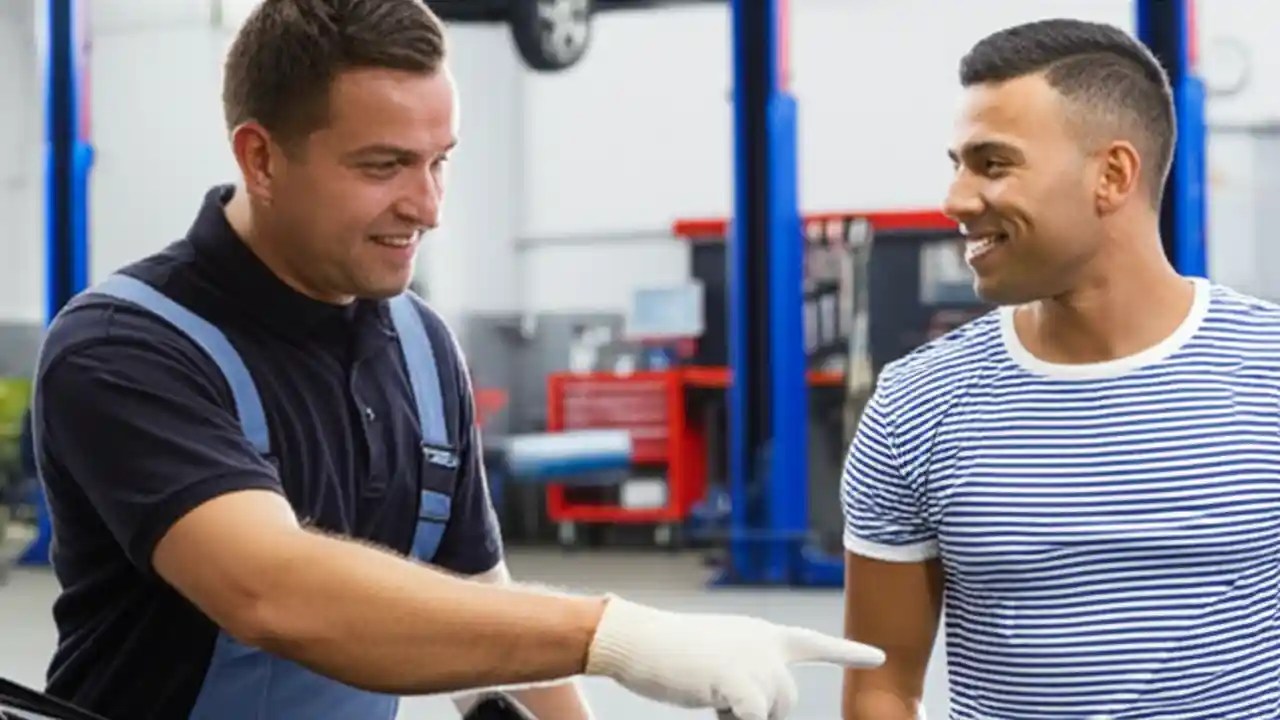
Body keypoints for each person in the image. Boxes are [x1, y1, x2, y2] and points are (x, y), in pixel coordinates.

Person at [29, 2, 885, 720]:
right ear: (260, 158)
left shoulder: (420, 345)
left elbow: (479, 594)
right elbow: (274, 593)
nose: (428, 205)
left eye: (441, 161)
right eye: (385, 166)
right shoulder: (126, 349)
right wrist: (622, 636)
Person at [840, 17, 1280, 720]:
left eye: (992, 163)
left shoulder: (1268, 372)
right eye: (955, 163)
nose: (955, 199)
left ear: (1112, 175)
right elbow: (882, 686)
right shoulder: (915, 406)